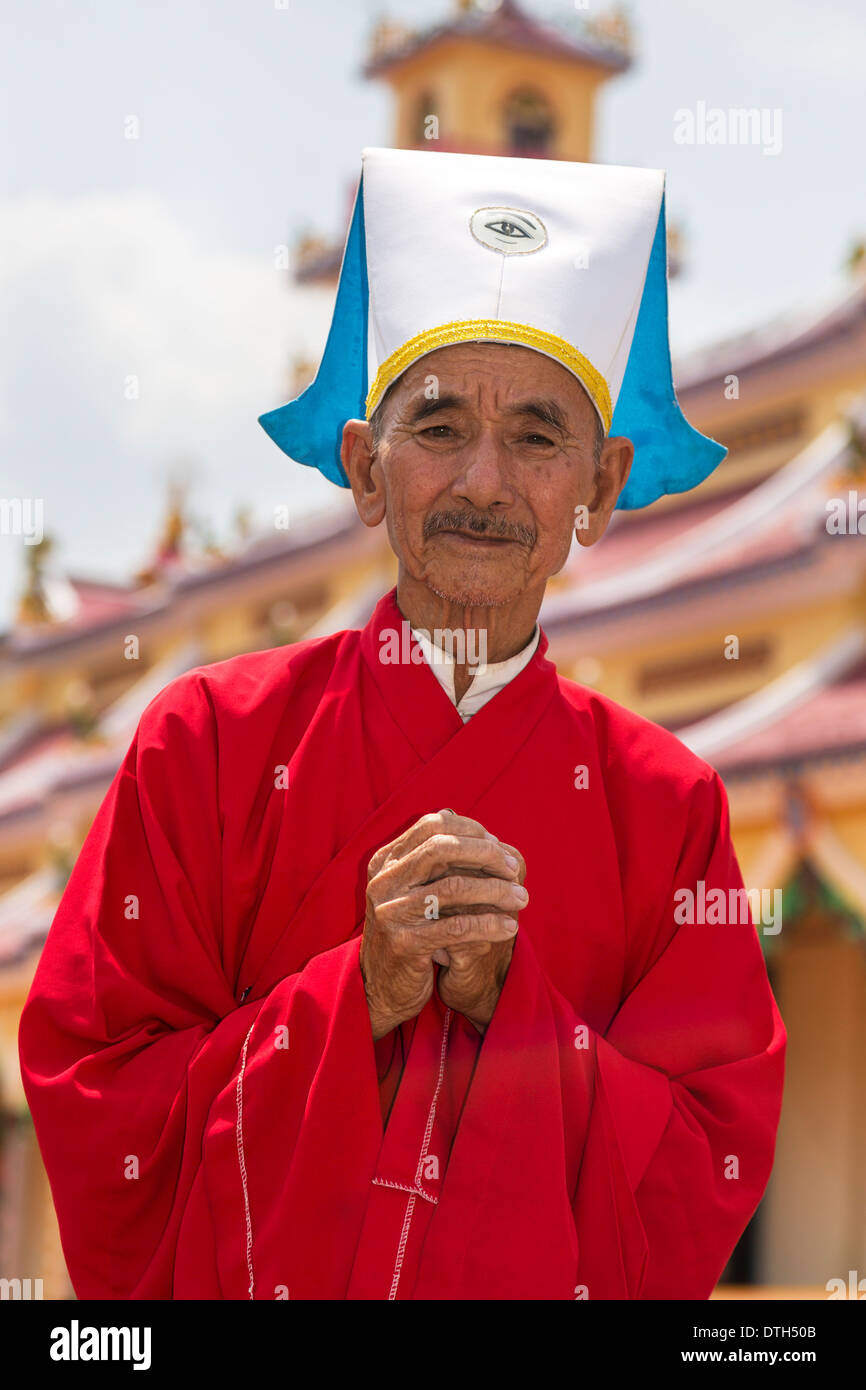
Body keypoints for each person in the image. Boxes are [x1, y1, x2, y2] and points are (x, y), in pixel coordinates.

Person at [19, 146, 785, 1300]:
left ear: (602, 484)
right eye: (434, 427)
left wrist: (513, 1018)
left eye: (536, 436)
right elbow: (94, 1096)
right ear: (364, 472)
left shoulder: (665, 806)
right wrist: (349, 998)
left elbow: (706, 1163)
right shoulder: (208, 743)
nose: (483, 479)